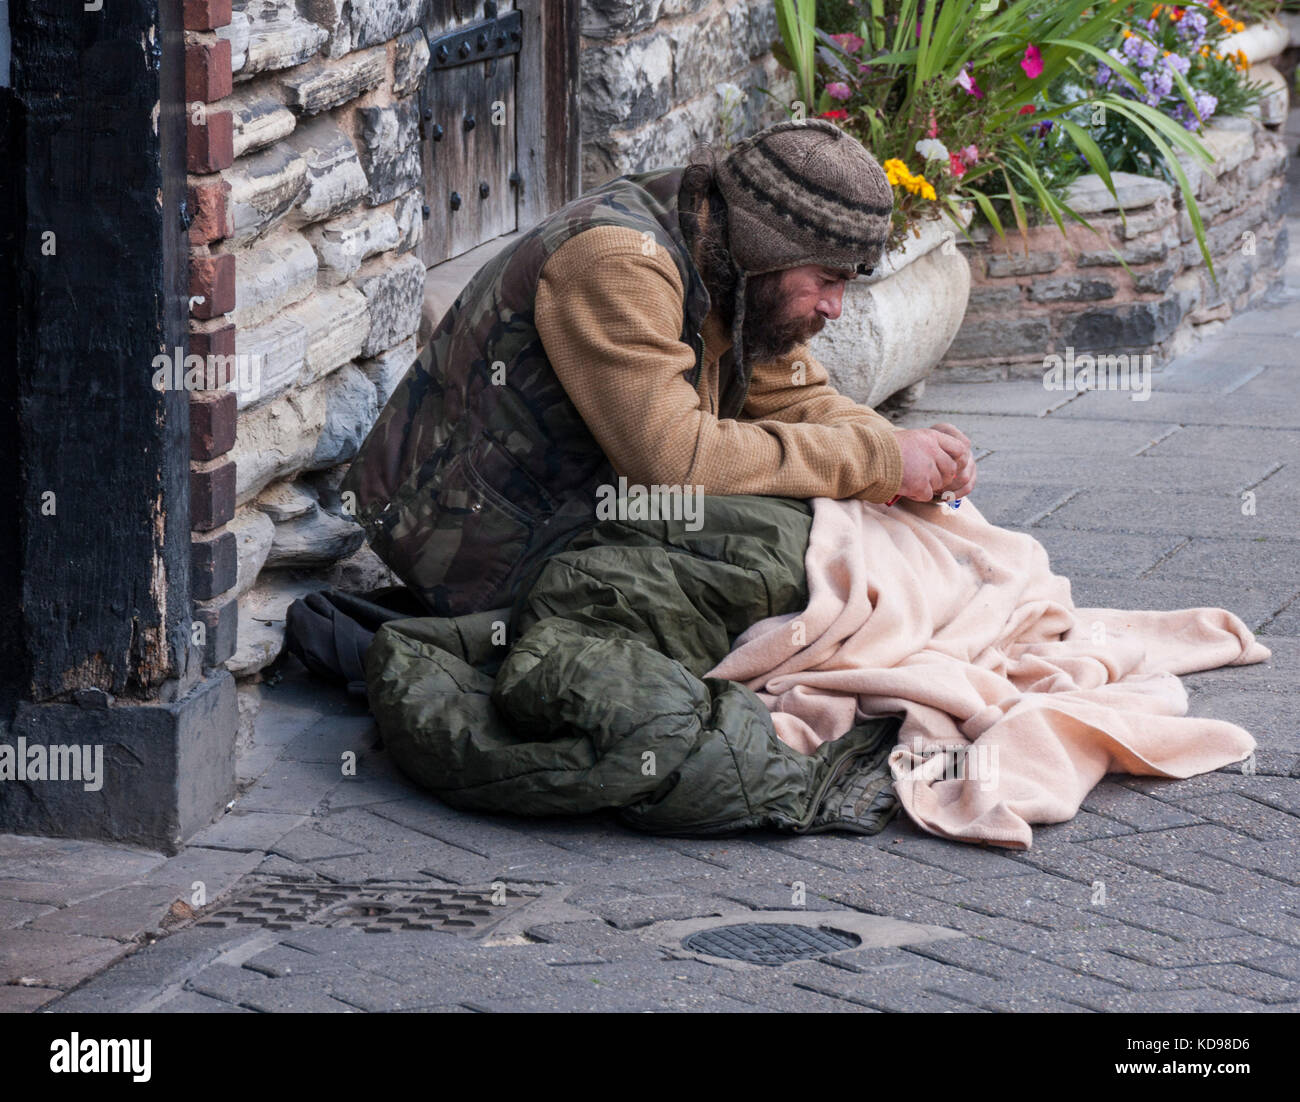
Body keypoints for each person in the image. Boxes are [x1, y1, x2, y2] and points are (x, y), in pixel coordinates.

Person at [341, 117, 976, 617]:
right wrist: (877, 462)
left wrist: (891, 444)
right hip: (466, 547)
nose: (836, 307)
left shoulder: (725, 246)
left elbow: (793, 390)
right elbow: (678, 464)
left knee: (841, 530)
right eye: (828, 279)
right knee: (779, 550)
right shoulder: (619, 262)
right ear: (770, 249)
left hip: (578, 502)